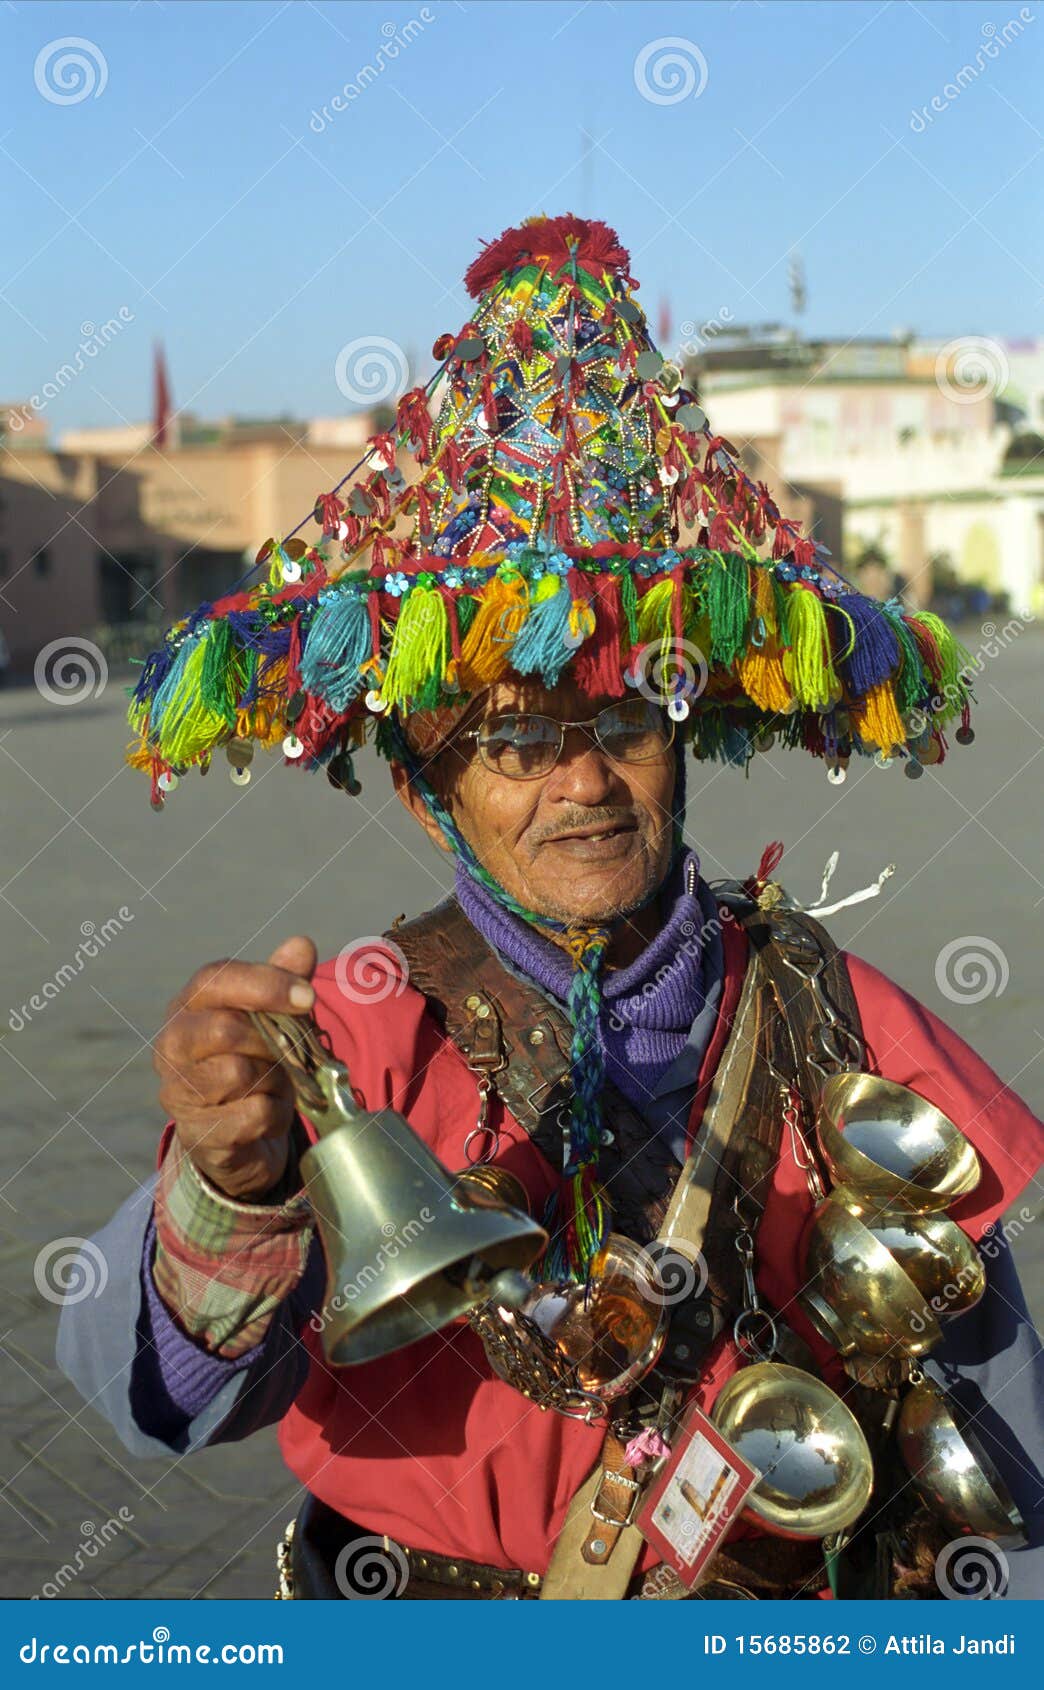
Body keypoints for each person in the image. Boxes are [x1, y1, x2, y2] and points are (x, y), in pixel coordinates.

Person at [59, 215, 1044, 1601]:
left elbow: (997, 1418)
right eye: (518, 743)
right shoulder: (346, 1034)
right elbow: (151, 1402)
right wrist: (232, 1185)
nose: (582, 780)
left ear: (687, 738)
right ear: (428, 790)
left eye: (627, 722)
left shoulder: (841, 1018)